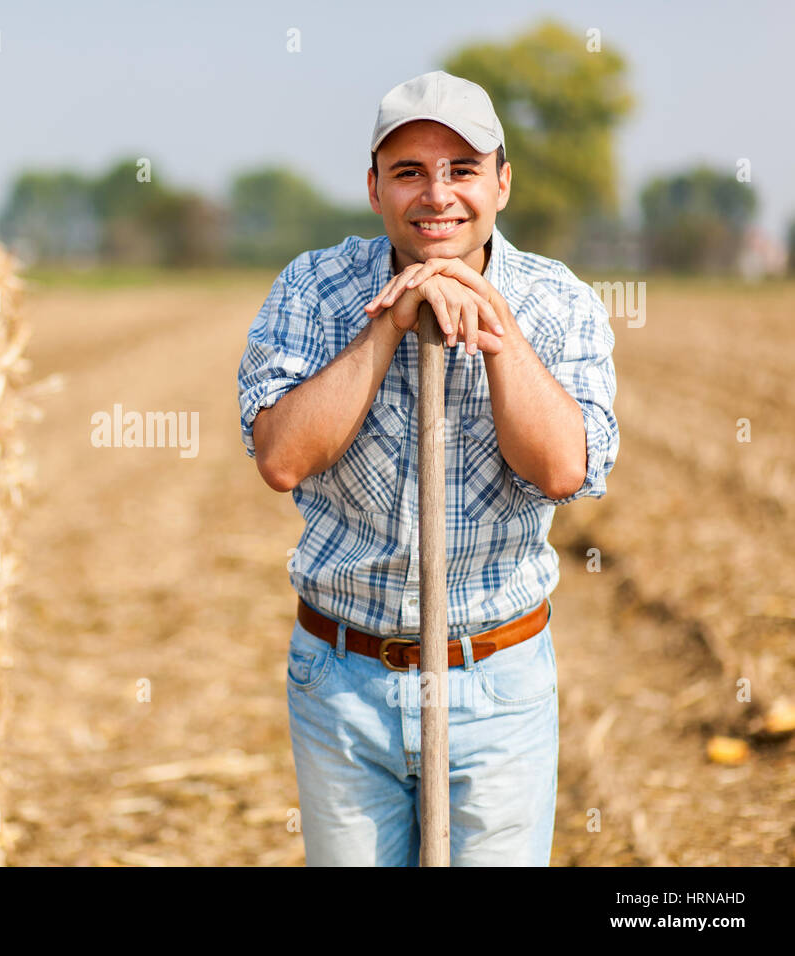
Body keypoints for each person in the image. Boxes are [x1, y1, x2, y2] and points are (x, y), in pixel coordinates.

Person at [236, 70, 618, 866]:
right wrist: (388, 325)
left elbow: (560, 469)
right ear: (374, 188)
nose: (436, 195)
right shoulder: (314, 287)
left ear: (503, 183)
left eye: (462, 170)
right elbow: (281, 457)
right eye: (409, 172)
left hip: (498, 680)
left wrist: (497, 326)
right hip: (343, 680)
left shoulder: (559, 303)